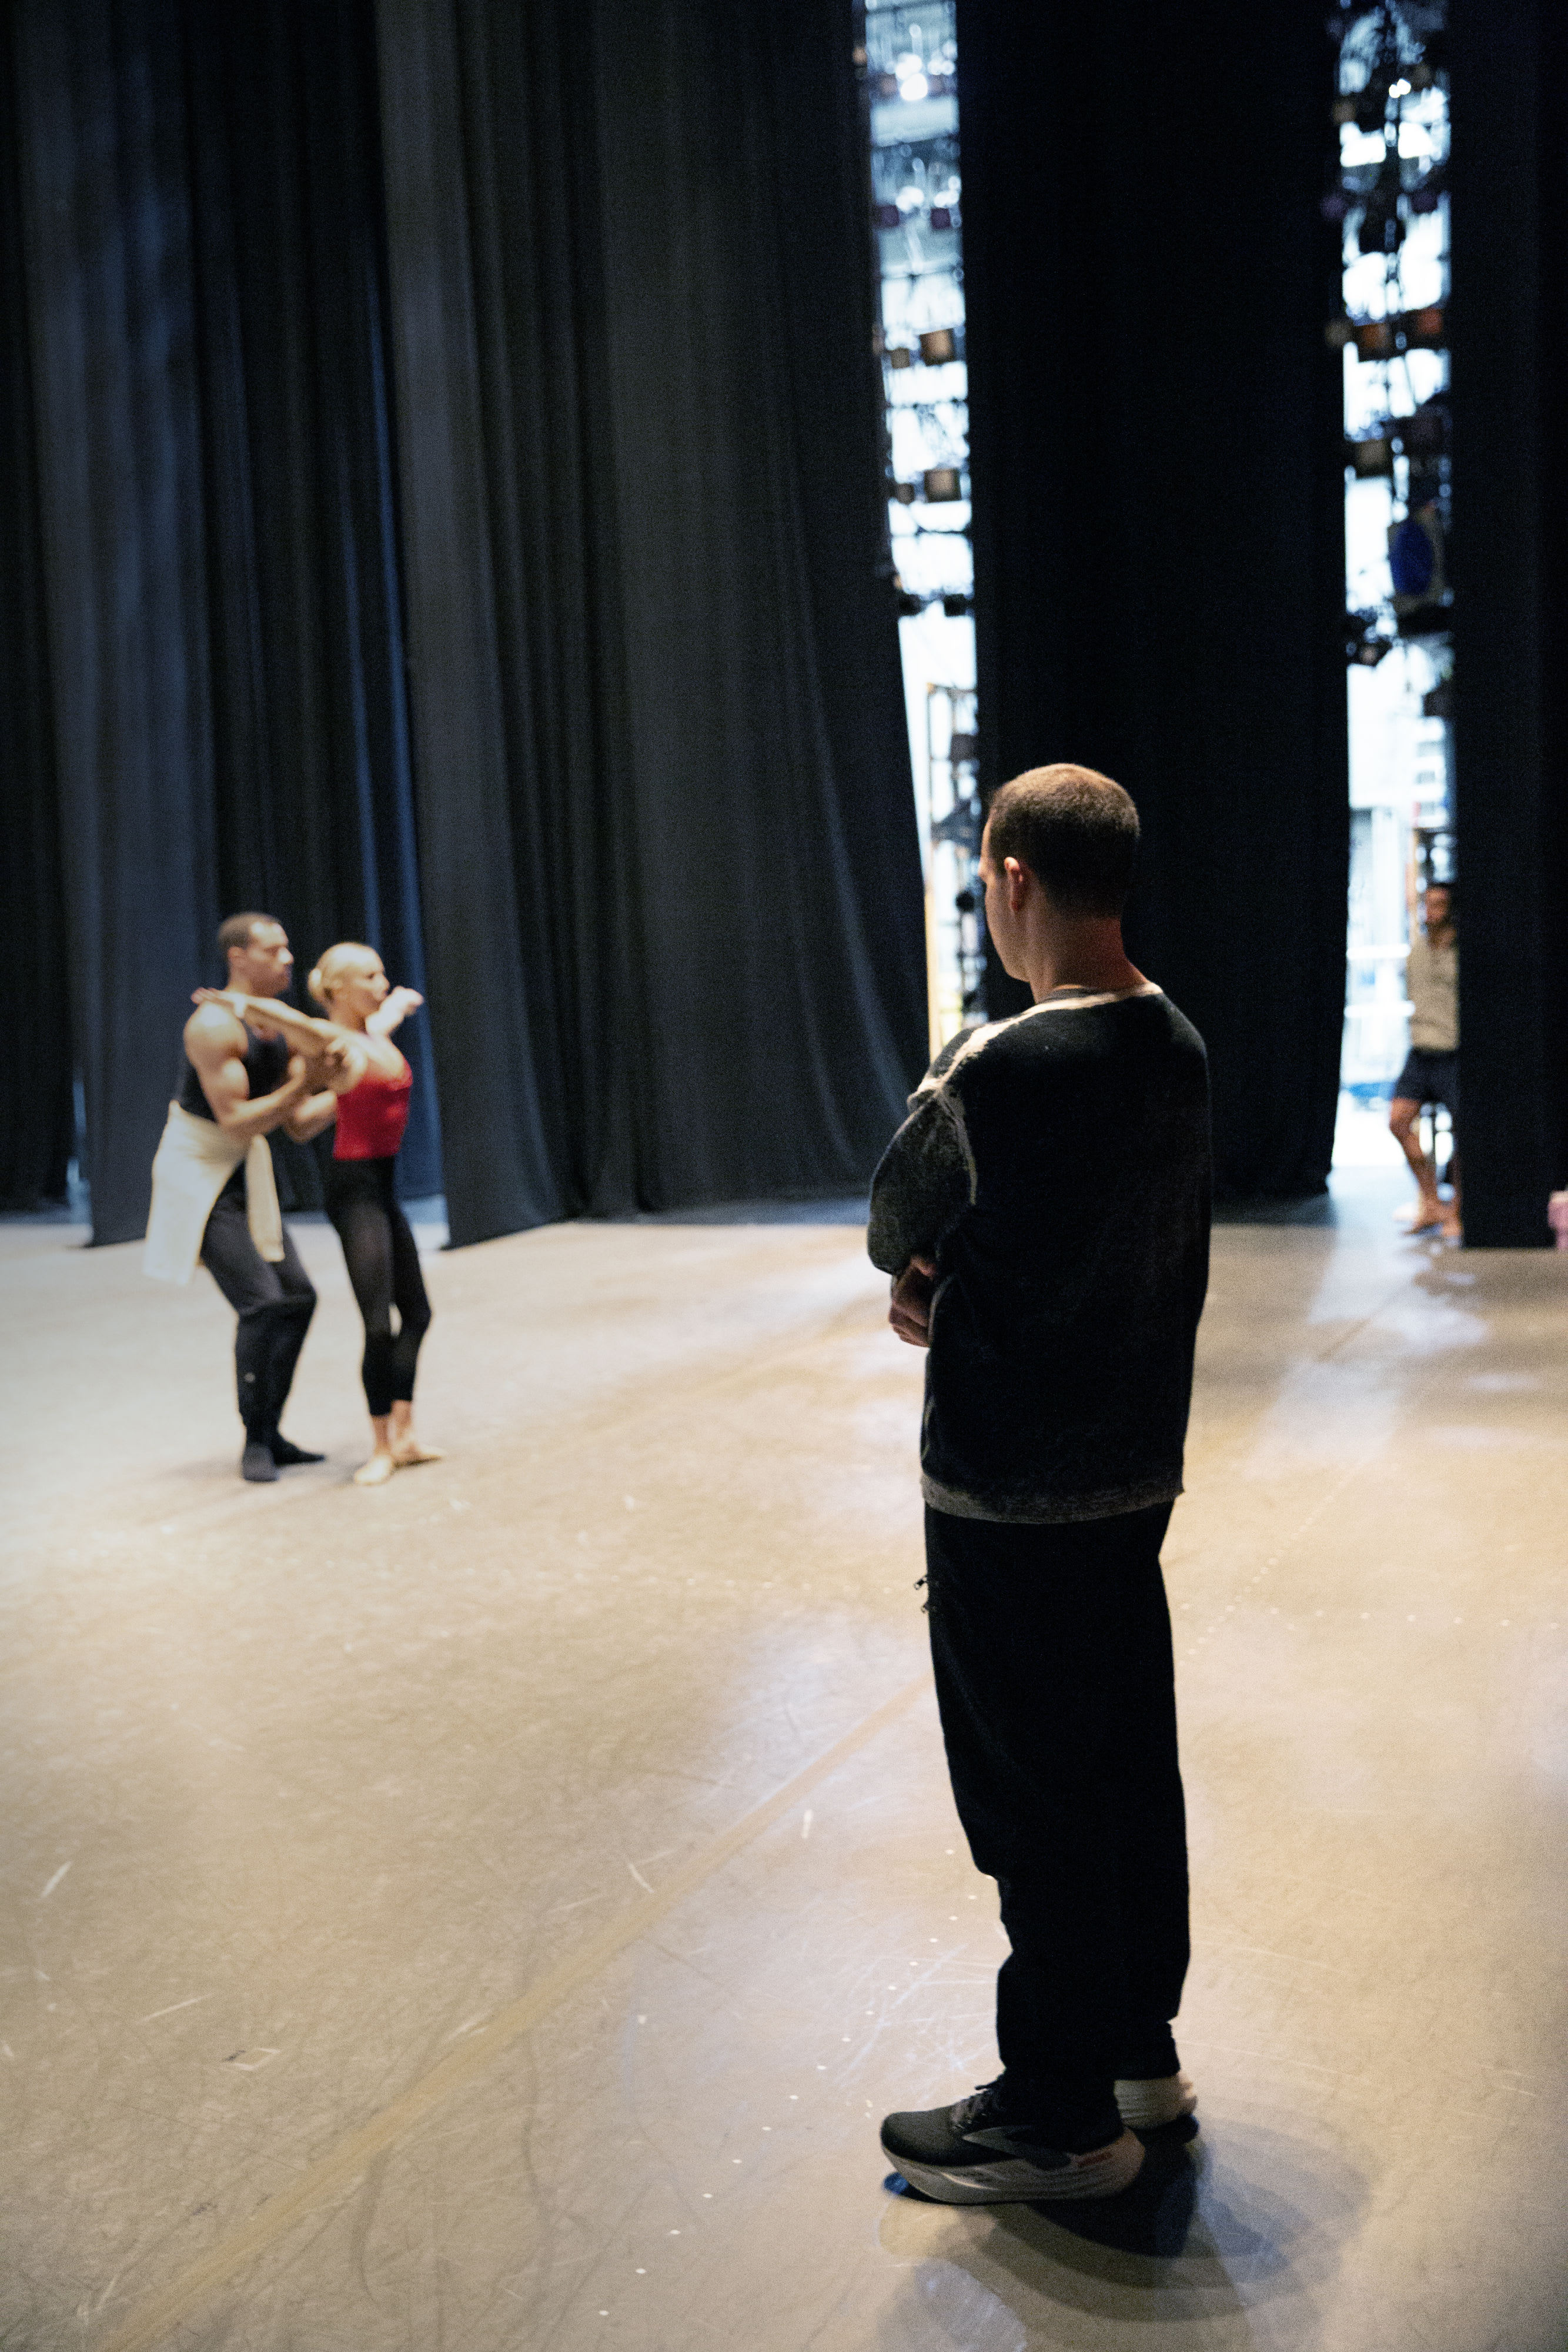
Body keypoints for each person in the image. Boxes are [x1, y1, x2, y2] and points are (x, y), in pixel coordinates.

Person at [867, 764, 1211, 2206]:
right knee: (1126, 1760)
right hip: (1134, 1479)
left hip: (1006, 1494)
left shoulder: (993, 1067)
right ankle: (1138, 2048)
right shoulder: (1178, 1043)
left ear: (1013, 879)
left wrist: (934, 1273)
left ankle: (1061, 2117)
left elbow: (897, 1222)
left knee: (1034, 1798)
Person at [199, 943, 440, 1487]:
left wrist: (399, 1005)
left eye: (383, 974)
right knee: (378, 1325)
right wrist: (239, 1004)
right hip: (354, 1194)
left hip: (385, 1189)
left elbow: (382, 1020)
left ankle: (405, 1433)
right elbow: (289, 1018)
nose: (381, 983)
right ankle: (379, 1446)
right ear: (337, 989)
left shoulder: (371, 1035)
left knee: (419, 1314)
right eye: (370, 977)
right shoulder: (332, 1041)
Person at [145, 914, 343, 1483]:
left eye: (288, 949)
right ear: (238, 958)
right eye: (273, 950)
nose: (288, 960)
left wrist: (347, 1091)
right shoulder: (213, 1025)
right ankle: (254, 1440)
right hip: (199, 1171)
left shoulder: (278, 1027)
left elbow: (299, 1124)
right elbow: (235, 1122)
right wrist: (308, 1083)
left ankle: (272, 1429)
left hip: (241, 1165)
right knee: (260, 1303)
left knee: (298, 1298)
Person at [1389, 879, 1459, 1238]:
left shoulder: (1461, 952)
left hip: (1453, 1054)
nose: (1430, 913)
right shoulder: (1417, 948)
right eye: (1427, 905)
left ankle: (1458, 1210)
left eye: (1439, 906)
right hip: (1420, 1052)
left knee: (1466, 1132)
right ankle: (1431, 1201)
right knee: (1398, 1121)